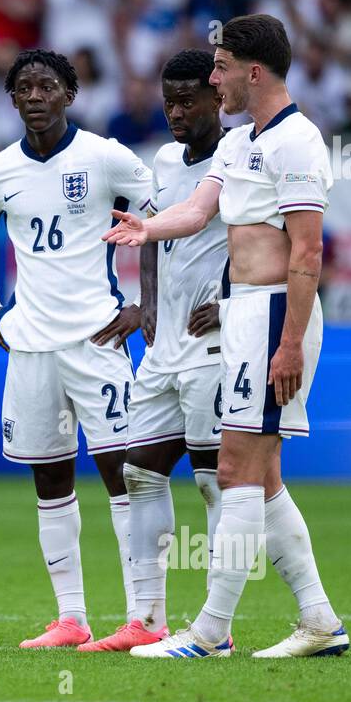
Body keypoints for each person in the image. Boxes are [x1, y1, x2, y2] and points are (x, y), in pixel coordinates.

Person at [105, 15, 348, 659]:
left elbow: (307, 252)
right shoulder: (240, 144)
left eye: (220, 67)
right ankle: (320, 622)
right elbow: (195, 211)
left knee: (236, 470)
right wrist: (145, 230)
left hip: (272, 315)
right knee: (262, 480)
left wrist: (290, 341)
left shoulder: (298, 141)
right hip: (245, 315)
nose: (213, 79)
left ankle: (211, 632)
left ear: (253, 71)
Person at [0, 48, 153, 649]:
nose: (35, 96)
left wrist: (146, 305)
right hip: (32, 347)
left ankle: (143, 617)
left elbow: (162, 221)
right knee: (50, 480)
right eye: (24, 88)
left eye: (47, 86)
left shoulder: (105, 157)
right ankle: (71, 617)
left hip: (98, 339)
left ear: (69, 94)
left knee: (125, 476)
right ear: (12, 99)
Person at [81, 48, 231, 652]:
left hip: (216, 344)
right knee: (137, 470)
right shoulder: (165, 160)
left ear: (218, 98)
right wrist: (145, 302)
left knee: (217, 484)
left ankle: (215, 628)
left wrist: (237, 302)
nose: (175, 111)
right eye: (169, 100)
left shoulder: (242, 159)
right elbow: (147, 230)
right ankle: (146, 619)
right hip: (165, 347)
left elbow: (277, 241)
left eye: (188, 99)